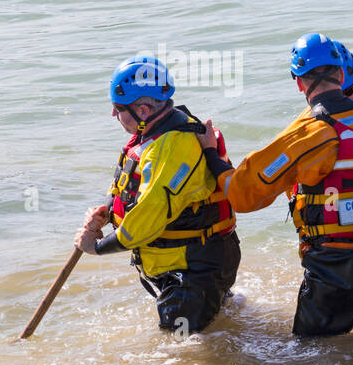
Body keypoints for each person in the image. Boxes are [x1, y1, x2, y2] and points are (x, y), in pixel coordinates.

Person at [200, 33, 353, 337]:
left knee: (314, 350)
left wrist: (212, 155)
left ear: (299, 83)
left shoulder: (304, 135)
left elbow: (243, 195)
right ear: (342, 74)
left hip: (337, 264)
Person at [75, 55, 240, 334]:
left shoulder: (172, 146)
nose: (113, 114)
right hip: (186, 263)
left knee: (185, 349)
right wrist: (106, 211)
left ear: (143, 110)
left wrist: (98, 247)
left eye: (118, 108)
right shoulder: (154, 134)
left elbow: (148, 213)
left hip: (191, 270)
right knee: (209, 332)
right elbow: (128, 185)